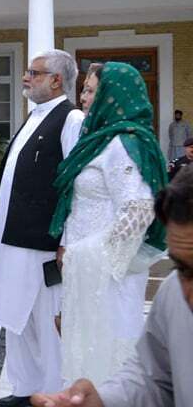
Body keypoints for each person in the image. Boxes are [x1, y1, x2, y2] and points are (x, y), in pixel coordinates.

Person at [32, 166, 193, 407]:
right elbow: (155, 380)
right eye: (183, 269)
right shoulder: (173, 295)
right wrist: (104, 400)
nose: (189, 296)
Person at [49, 62, 168, 387]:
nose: (83, 98)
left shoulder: (123, 144)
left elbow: (140, 210)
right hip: (91, 272)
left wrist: (94, 259)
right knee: (87, 360)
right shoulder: (100, 140)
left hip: (111, 278)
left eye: (89, 90)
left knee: (109, 359)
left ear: (112, 96)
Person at [0, 49, 85, 407]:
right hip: (13, 239)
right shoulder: (33, 117)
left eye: (35, 72)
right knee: (17, 317)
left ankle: (52, 394)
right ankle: (25, 390)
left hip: (44, 242)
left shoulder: (71, 118)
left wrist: (67, 239)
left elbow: (75, 183)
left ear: (57, 80)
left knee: (47, 322)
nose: (26, 77)